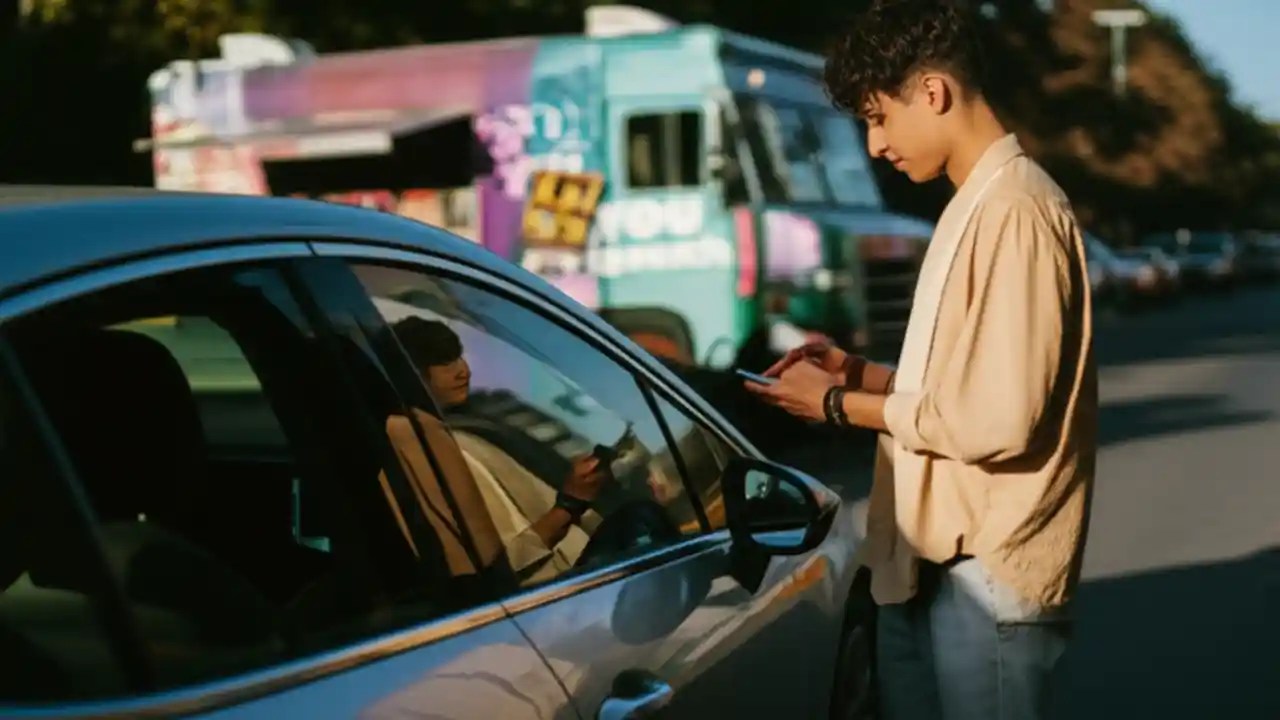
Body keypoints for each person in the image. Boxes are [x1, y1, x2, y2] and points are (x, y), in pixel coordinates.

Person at [744, 1, 1097, 718]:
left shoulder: (1016, 211)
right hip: (935, 562)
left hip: (987, 570)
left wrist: (836, 406)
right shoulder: (976, 203)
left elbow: (995, 420)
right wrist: (860, 375)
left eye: (878, 117)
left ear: (933, 92)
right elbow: (968, 388)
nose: (875, 145)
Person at [389, 316, 612, 586]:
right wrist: (570, 504)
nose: (463, 371)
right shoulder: (427, 455)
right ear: (412, 372)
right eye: (446, 363)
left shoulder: (474, 430)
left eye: (459, 357)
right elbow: (500, 566)